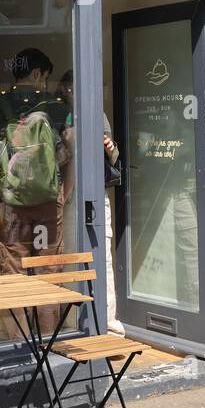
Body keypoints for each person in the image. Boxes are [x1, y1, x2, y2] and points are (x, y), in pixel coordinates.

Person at [0, 48, 72, 334]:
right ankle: (48, 343)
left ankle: (21, 344)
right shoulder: (56, 107)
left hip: (11, 203)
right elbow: (74, 150)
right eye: (44, 77)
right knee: (48, 271)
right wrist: (64, 190)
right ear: (39, 73)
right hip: (48, 203)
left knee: (14, 272)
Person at [58, 70, 123, 334]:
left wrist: (110, 148)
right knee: (76, 261)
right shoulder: (64, 115)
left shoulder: (96, 115)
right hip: (76, 197)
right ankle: (76, 323)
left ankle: (106, 326)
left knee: (99, 260)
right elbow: (65, 156)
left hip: (90, 196)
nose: (70, 94)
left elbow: (113, 155)